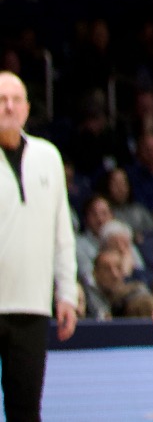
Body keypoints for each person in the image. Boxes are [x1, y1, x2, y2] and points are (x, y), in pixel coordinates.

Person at [0, 72, 80, 422]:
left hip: (33, 305)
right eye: (1, 100)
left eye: (16, 100)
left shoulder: (48, 156)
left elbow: (62, 231)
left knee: (26, 410)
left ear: (28, 108)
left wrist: (66, 292)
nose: (9, 107)